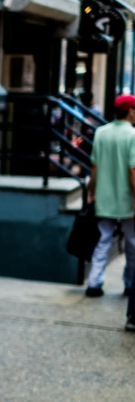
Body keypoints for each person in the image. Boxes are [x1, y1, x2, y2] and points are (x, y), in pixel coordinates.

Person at [86, 94, 135, 299]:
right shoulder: (132, 135)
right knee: (132, 244)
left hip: (105, 197)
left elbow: (94, 167)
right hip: (127, 200)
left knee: (102, 241)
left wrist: (91, 191)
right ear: (130, 111)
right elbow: (133, 171)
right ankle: (130, 284)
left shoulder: (100, 132)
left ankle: (94, 283)